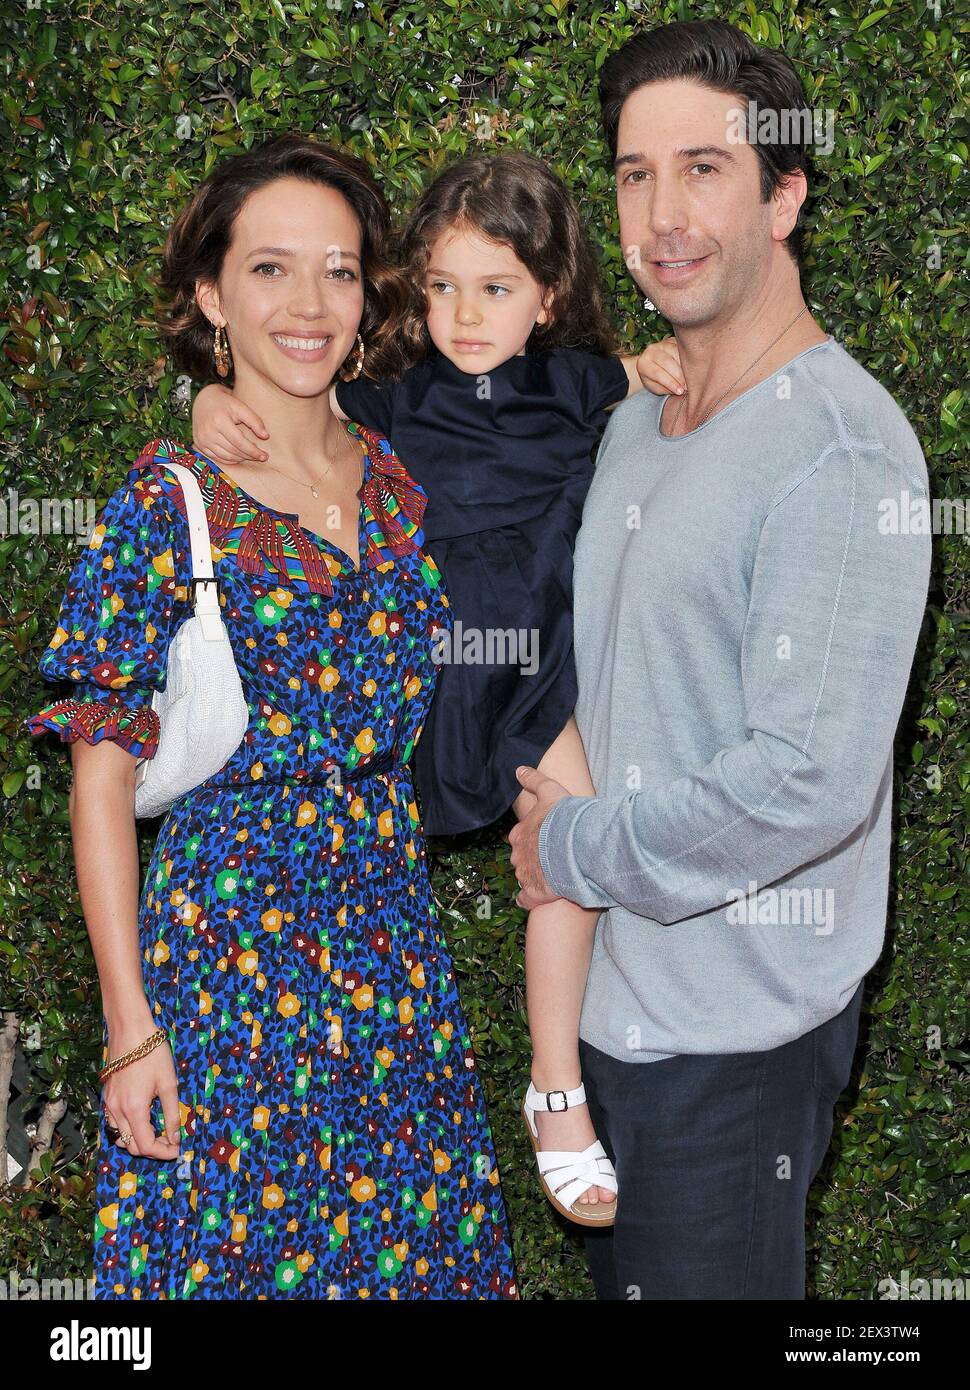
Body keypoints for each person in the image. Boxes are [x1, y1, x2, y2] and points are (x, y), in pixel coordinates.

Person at [23, 133, 518, 1299]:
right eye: (269, 270)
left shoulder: (403, 474)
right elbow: (100, 778)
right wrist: (129, 1028)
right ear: (209, 294)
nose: (308, 304)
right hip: (223, 978)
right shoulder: (166, 502)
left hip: (393, 968)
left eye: (339, 270)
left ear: (367, 295)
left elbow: (560, 390)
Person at [508, 19, 932, 1298]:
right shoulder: (641, 415)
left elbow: (803, 782)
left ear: (784, 192)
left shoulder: (843, 455)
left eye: (704, 169)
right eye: (635, 174)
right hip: (616, 1023)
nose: (662, 214)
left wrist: (572, 848)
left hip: (734, 1047)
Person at [190, 151, 687, 1225]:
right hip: (413, 676)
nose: (467, 313)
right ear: (416, 286)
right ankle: (307, 1096)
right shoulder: (385, 401)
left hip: (537, 662)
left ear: (548, 296)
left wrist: (658, 367)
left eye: (499, 287)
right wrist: (202, 406)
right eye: (446, 285)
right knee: (348, 871)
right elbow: (275, 408)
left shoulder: (586, 385)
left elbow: (662, 390)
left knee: (572, 840)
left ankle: (555, 1090)